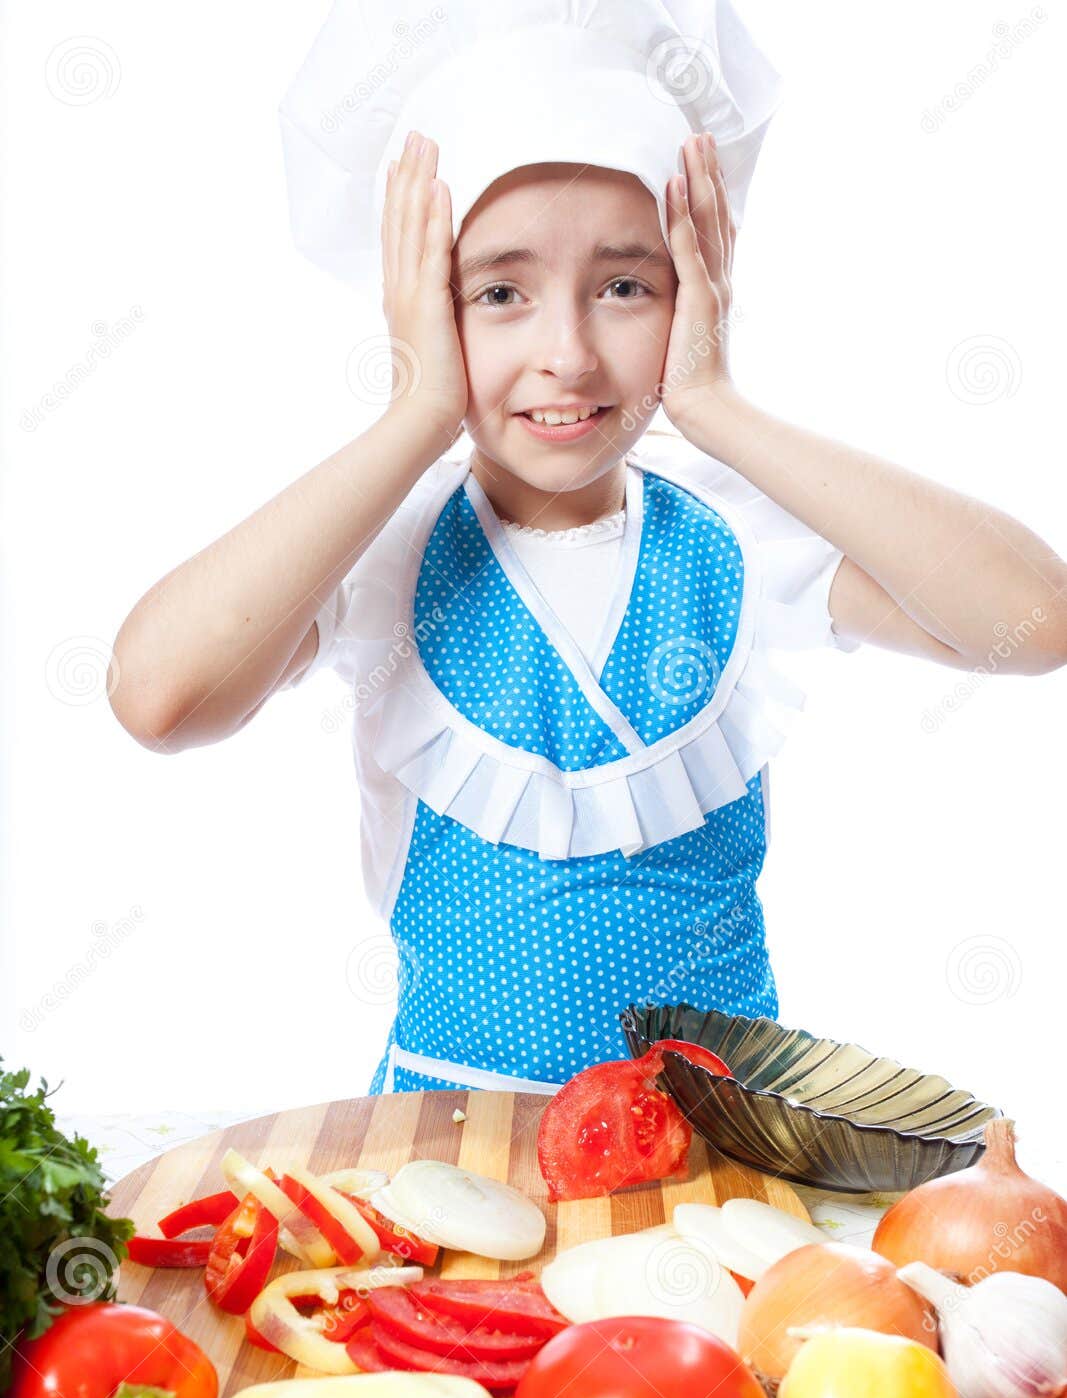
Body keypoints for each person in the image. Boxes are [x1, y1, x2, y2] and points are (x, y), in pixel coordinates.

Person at [110, 1, 1067, 1095]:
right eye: (498, 293)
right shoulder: (383, 553)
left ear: (692, 291)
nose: (565, 354)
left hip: (713, 1153)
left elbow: (1034, 622)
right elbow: (158, 697)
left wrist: (716, 406)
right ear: (425, 307)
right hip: (448, 1142)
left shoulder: (740, 540)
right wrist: (412, 416)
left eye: (624, 287)